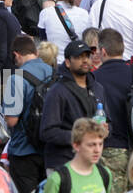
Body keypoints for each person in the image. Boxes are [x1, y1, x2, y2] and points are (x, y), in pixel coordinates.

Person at [37, 40, 107, 172]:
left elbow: (107, 120)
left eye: (87, 56)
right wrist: (81, 137)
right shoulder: (57, 91)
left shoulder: (98, 88)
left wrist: (106, 129)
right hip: (62, 163)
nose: (85, 60)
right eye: (79, 57)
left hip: (91, 163)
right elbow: (47, 132)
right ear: (68, 62)